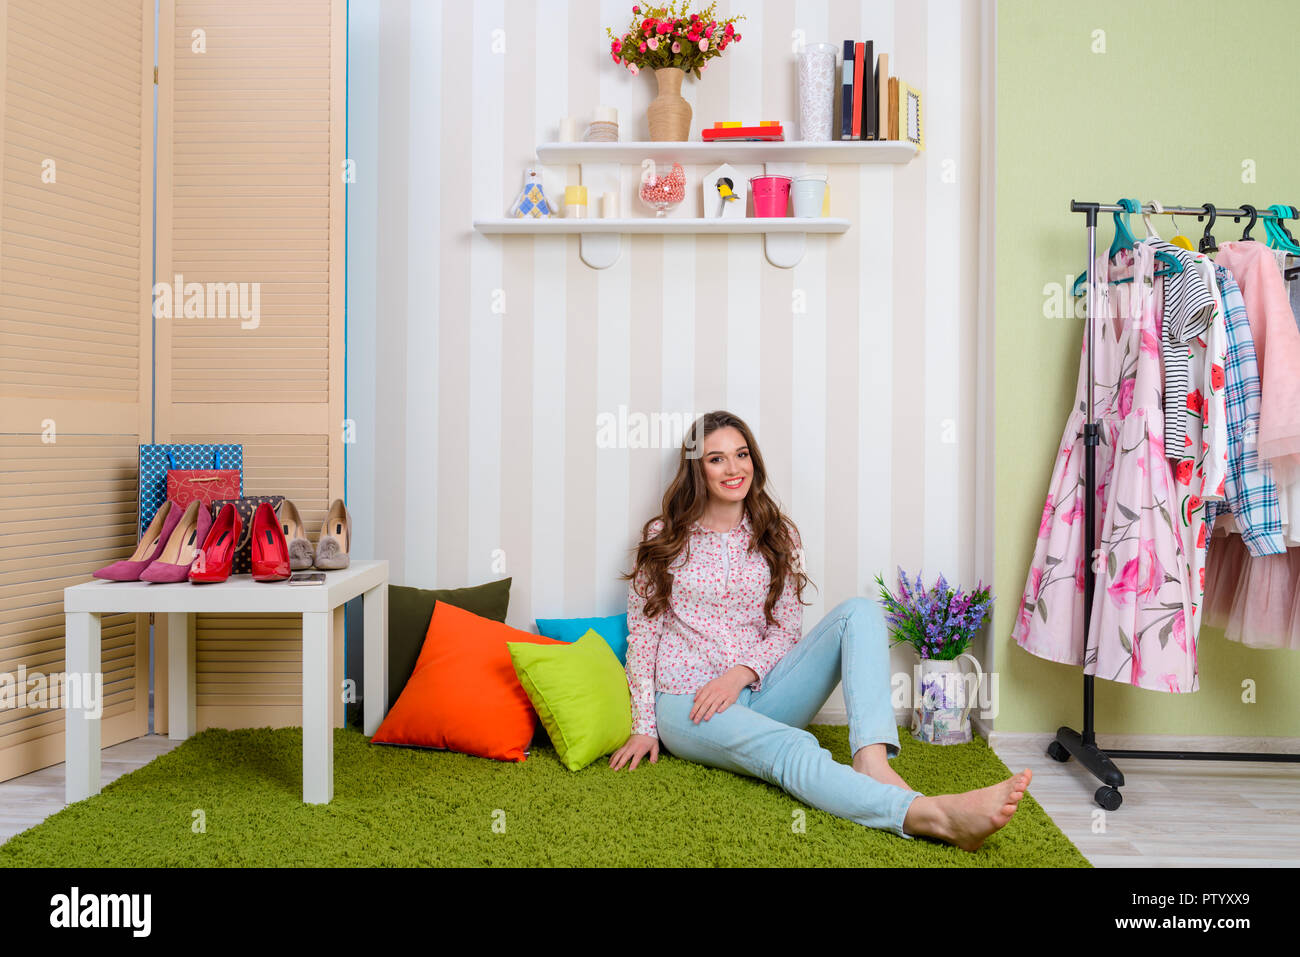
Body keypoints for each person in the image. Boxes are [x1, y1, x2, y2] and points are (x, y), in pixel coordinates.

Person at [610, 410, 1031, 851]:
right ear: (696, 468)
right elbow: (643, 641)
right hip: (688, 704)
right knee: (792, 746)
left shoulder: (777, 533)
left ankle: (871, 759)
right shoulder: (665, 538)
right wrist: (644, 725)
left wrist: (741, 674)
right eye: (717, 459)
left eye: (742, 454)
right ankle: (931, 815)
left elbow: (786, 630)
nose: (734, 469)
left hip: (761, 689)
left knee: (859, 612)